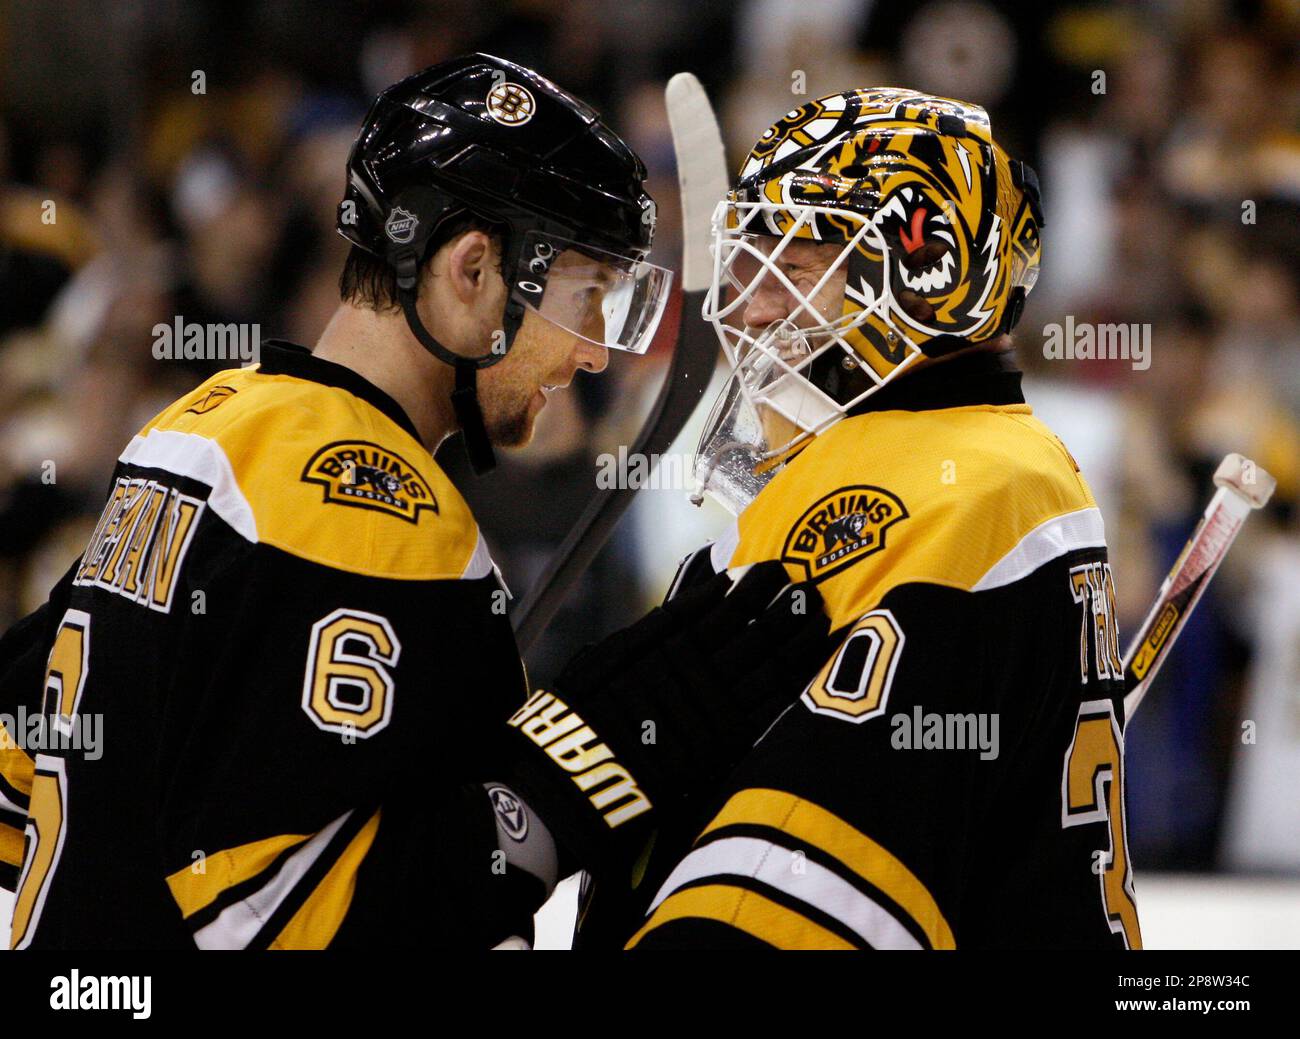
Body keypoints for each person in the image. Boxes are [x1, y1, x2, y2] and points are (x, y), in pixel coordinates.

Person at [0, 54, 831, 949]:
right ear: (472, 270)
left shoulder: (199, 427)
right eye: (590, 297)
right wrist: (573, 767)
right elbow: (288, 923)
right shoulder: (381, 509)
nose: (595, 354)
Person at [599, 87, 1142, 949]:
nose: (751, 306)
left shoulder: (944, 480)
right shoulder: (975, 463)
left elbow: (782, 900)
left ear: (927, 277)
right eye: (752, 261)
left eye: (797, 266)